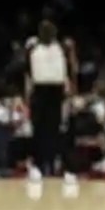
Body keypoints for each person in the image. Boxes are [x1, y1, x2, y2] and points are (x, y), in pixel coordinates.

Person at [26, 19, 69, 176]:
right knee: (38, 128)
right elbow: (27, 71)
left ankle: (51, 162)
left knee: (53, 128)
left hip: (56, 90)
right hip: (40, 89)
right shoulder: (33, 47)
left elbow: (67, 70)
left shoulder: (60, 48)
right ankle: (38, 163)